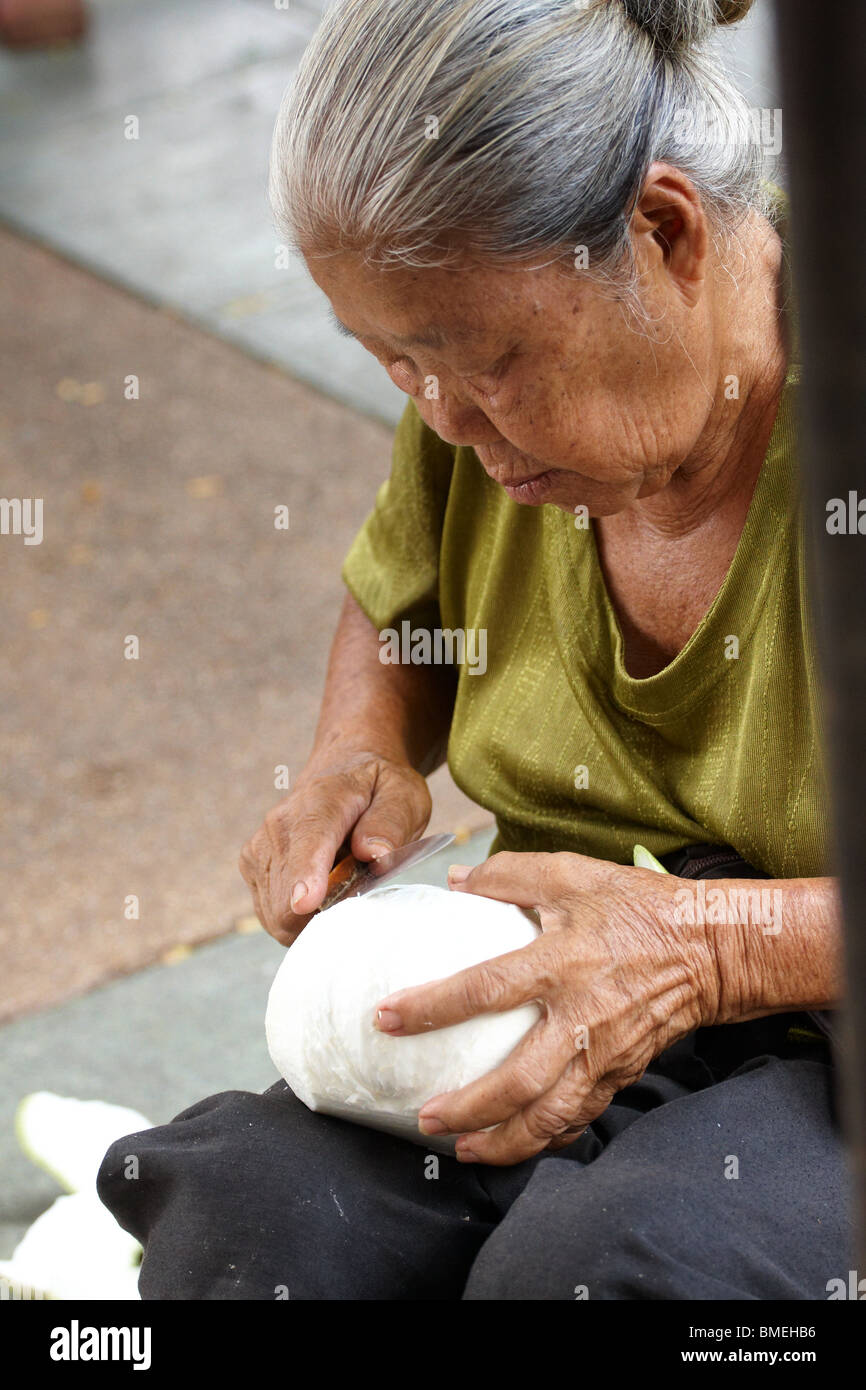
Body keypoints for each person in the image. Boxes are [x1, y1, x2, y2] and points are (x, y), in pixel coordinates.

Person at [98, 0, 851, 1299]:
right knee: (261, 1220)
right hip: (577, 962)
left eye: (482, 363)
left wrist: (708, 945)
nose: (443, 417)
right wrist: (361, 746)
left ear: (662, 232)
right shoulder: (475, 406)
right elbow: (405, 590)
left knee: (607, 1268)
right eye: (392, 362)